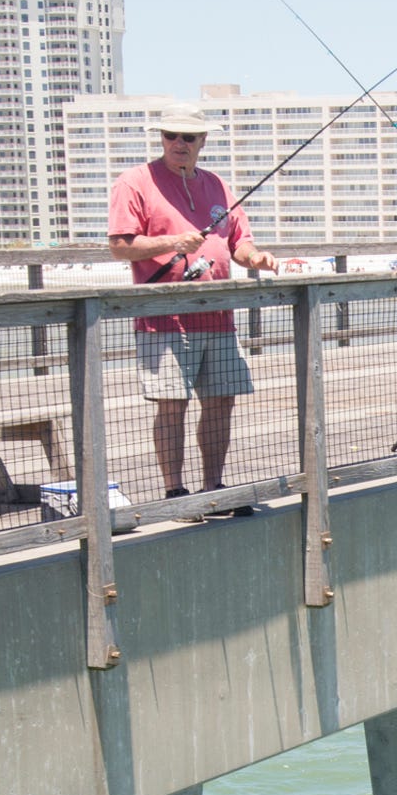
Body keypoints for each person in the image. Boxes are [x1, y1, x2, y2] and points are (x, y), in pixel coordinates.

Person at [107, 107, 276, 502]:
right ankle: (175, 493)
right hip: (164, 320)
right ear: (161, 138)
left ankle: (213, 486)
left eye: (188, 137)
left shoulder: (217, 184)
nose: (178, 143)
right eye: (171, 135)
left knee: (221, 401)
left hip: (218, 316)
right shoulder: (135, 181)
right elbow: (120, 245)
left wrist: (255, 258)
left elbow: (239, 242)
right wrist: (173, 242)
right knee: (172, 405)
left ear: (203, 141)